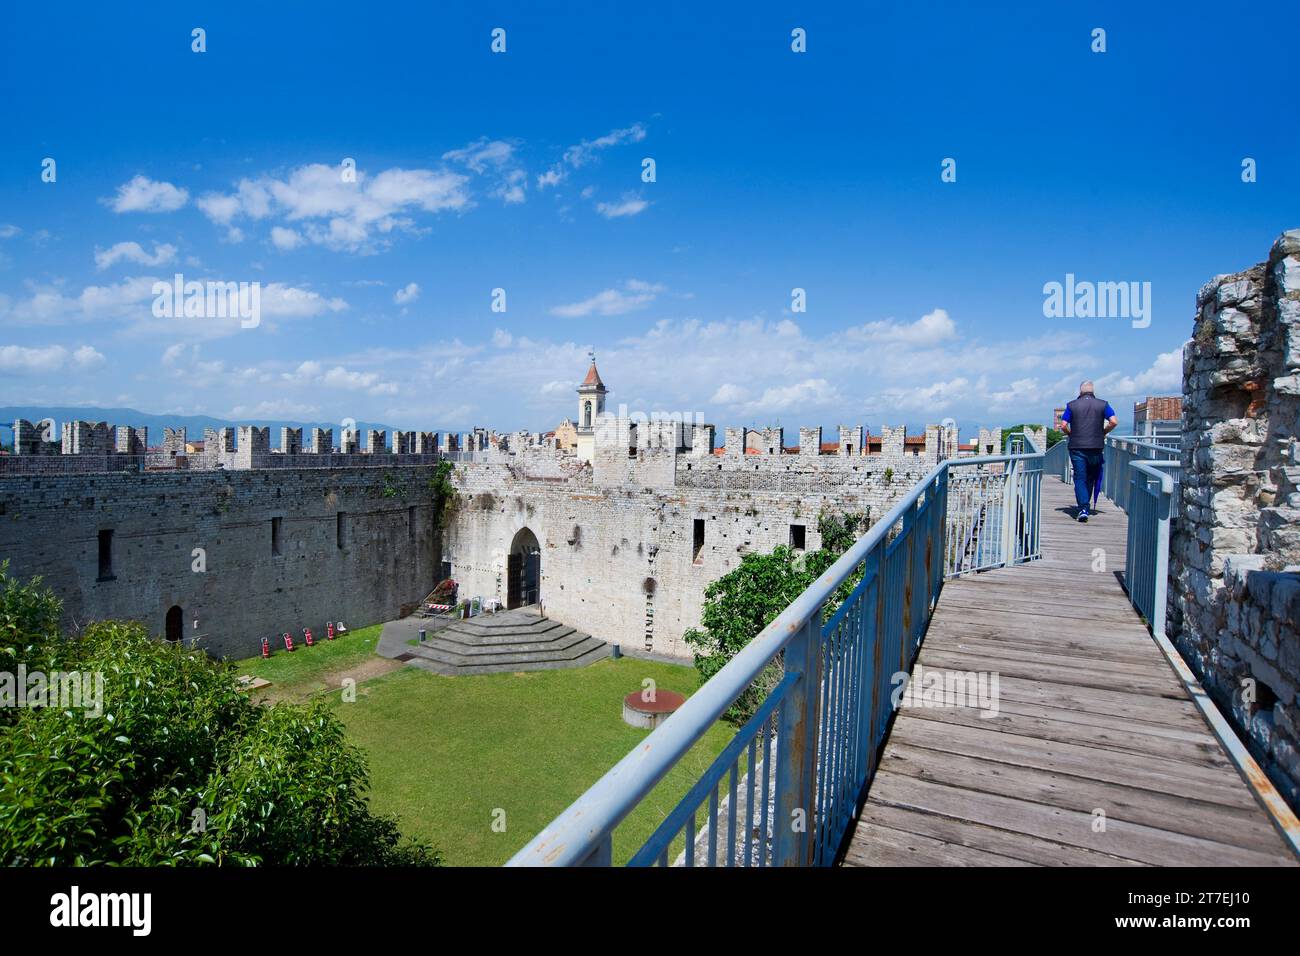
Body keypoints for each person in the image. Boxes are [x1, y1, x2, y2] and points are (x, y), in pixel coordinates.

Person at [1060, 381, 1118, 522]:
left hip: (1077, 447)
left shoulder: (1071, 405)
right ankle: (1085, 505)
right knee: (1091, 477)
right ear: (1093, 391)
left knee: (1080, 477)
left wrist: (1071, 434)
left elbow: (1063, 425)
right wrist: (1103, 432)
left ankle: (1083, 508)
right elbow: (1113, 421)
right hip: (1096, 447)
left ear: (1080, 392)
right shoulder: (1103, 404)